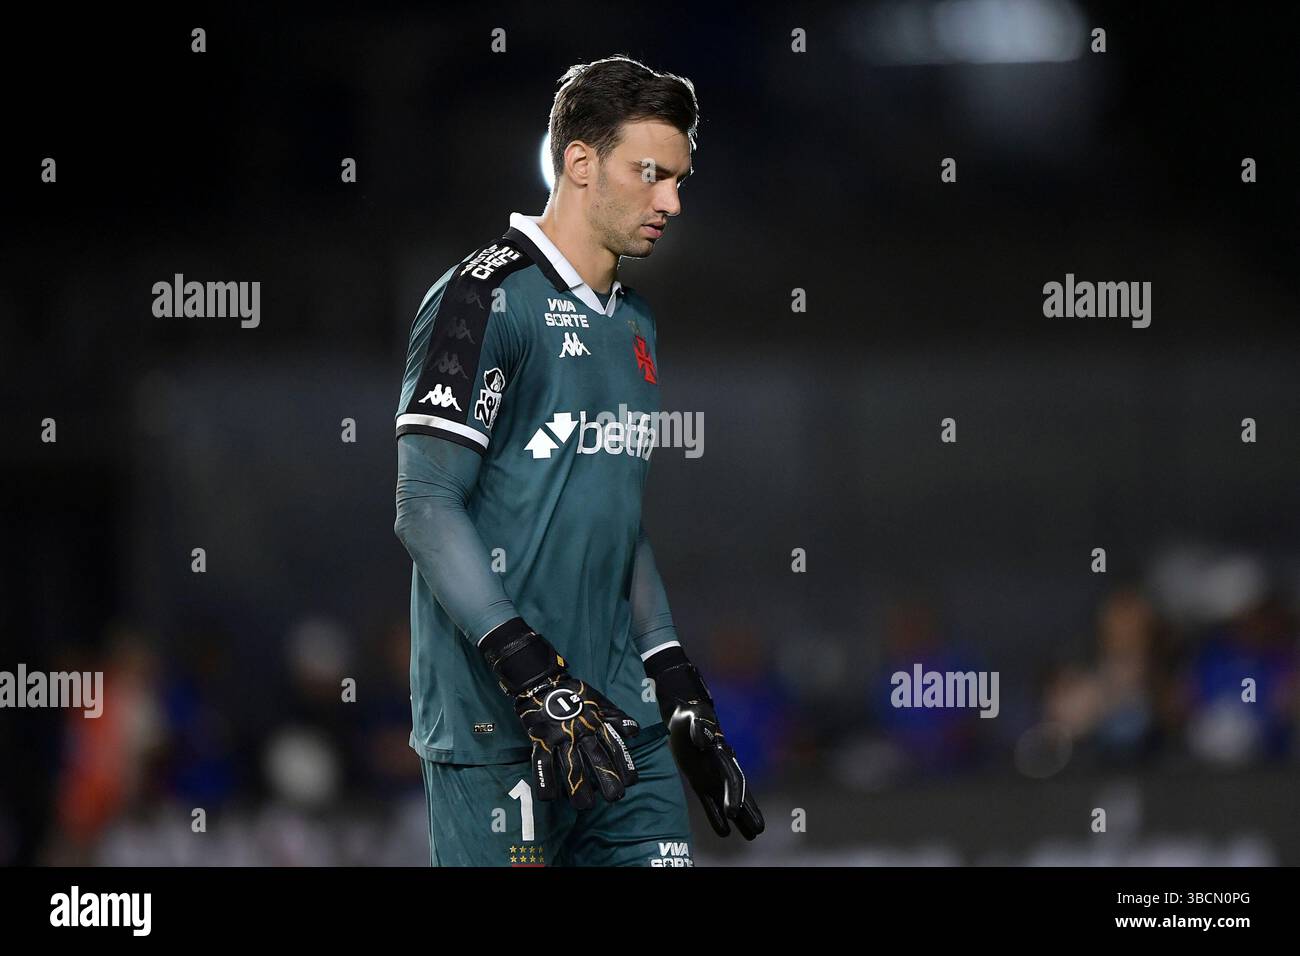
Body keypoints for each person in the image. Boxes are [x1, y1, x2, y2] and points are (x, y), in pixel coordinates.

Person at [392, 55, 763, 866]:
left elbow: (617, 521)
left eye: (681, 179)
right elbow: (424, 503)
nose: (671, 200)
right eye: (651, 173)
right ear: (580, 162)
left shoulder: (637, 327)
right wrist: (531, 675)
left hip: (623, 731)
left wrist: (676, 684)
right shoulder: (480, 299)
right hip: (499, 730)